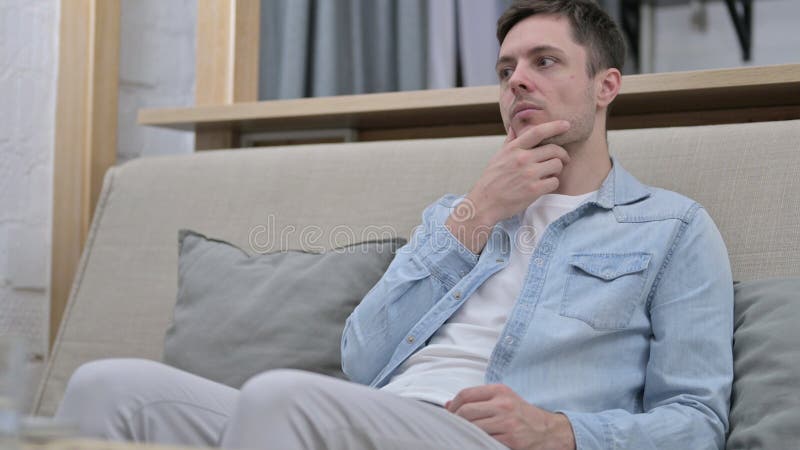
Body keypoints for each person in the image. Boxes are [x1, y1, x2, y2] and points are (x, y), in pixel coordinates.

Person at [56, 1, 733, 449]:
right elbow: (362, 358)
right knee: (107, 385)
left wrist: (561, 430)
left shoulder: (672, 229)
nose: (516, 82)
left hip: (488, 438)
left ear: (605, 86)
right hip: (385, 420)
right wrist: (478, 213)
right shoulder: (457, 215)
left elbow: (698, 422)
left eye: (544, 62)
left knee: (281, 397)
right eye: (505, 70)